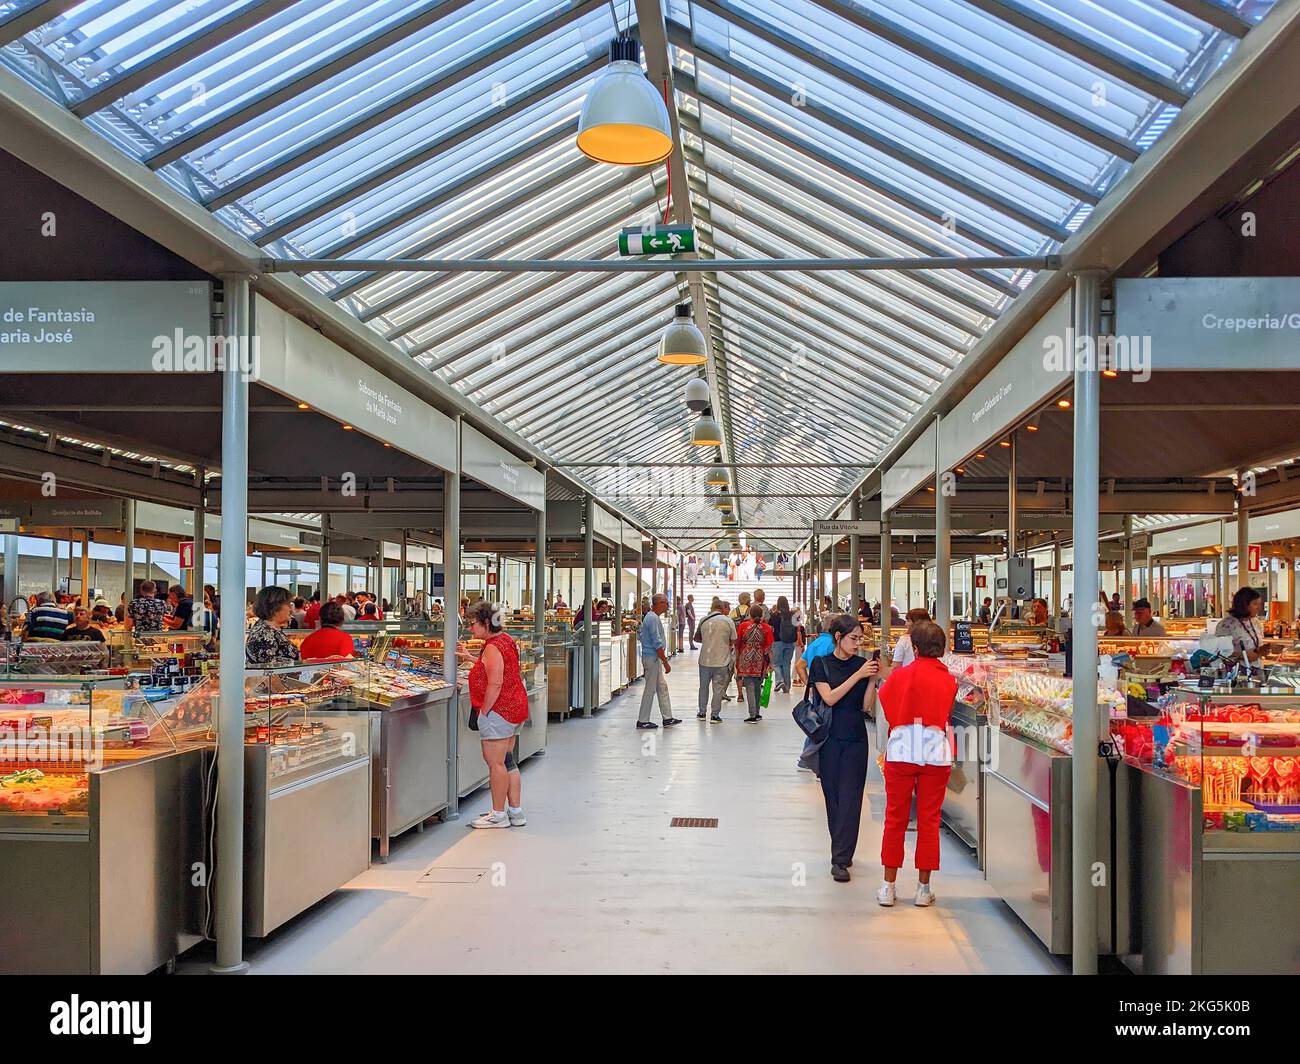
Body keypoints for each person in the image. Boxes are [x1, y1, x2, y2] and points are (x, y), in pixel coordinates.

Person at [876, 620, 957, 908]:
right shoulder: (949, 680)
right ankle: (923, 889)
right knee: (929, 819)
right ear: (942, 648)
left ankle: (888, 886)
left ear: (914, 647)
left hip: (901, 748)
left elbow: (885, 702)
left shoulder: (901, 677)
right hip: (935, 750)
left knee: (895, 817)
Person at [809, 615, 880, 882]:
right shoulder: (821, 664)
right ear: (838, 637)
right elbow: (829, 697)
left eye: (860, 639)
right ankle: (841, 847)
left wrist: (871, 680)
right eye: (853, 638)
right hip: (828, 738)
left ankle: (840, 857)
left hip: (855, 738)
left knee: (852, 797)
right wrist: (858, 675)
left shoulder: (862, 665)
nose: (857, 643)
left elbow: (865, 706)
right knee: (834, 796)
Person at [460, 601, 529, 829]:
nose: (471, 629)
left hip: (499, 710)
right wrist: (471, 658)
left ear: (486, 623)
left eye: (473, 624)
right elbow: (497, 669)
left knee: (495, 763)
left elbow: (496, 682)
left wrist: (486, 711)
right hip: (515, 706)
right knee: (508, 761)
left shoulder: (492, 647)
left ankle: (498, 815)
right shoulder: (505, 640)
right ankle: (515, 811)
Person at [637, 593, 679, 729]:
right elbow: (657, 643)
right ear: (659, 603)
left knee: (662, 687)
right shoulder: (653, 619)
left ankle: (667, 717)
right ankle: (643, 720)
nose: (667, 606)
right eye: (666, 603)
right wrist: (665, 662)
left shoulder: (652, 617)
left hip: (654, 658)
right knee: (650, 689)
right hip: (652, 658)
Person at [696, 597, 737, 722]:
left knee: (703, 687)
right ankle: (715, 715)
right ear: (722, 608)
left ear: (711, 608)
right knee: (718, 688)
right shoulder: (728, 621)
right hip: (721, 659)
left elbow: (697, 638)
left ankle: (702, 713)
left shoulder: (703, 620)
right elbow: (734, 639)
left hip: (704, 659)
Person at [735, 603, 774, 722]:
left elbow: (738, 643)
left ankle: (752, 714)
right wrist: (770, 663)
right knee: (757, 687)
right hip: (760, 660)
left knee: (749, 687)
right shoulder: (767, 628)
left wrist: (737, 659)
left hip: (746, 659)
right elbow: (769, 647)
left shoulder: (743, 626)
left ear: (749, 614)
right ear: (762, 615)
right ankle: (757, 712)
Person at [245, 586, 301, 665]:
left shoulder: (269, 629)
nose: (291, 609)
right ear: (275, 608)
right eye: (288, 604)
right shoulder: (264, 636)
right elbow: (269, 672)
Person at [1216, 587, 1263, 662]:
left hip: (1256, 668)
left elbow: (1256, 646)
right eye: (1255, 604)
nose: (1259, 608)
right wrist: (1242, 655)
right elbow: (1221, 652)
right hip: (1236, 669)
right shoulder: (1226, 625)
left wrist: (1265, 649)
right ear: (1243, 605)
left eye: (1259, 604)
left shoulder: (1256, 622)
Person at [769, 595, 798, 693]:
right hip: (790, 642)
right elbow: (798, 628)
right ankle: (787, 686)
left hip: (777, 641)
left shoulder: (774, 615)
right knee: (787, 664)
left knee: (776, 663)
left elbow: (770, 628)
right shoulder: (792, 615)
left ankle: (779, 681)